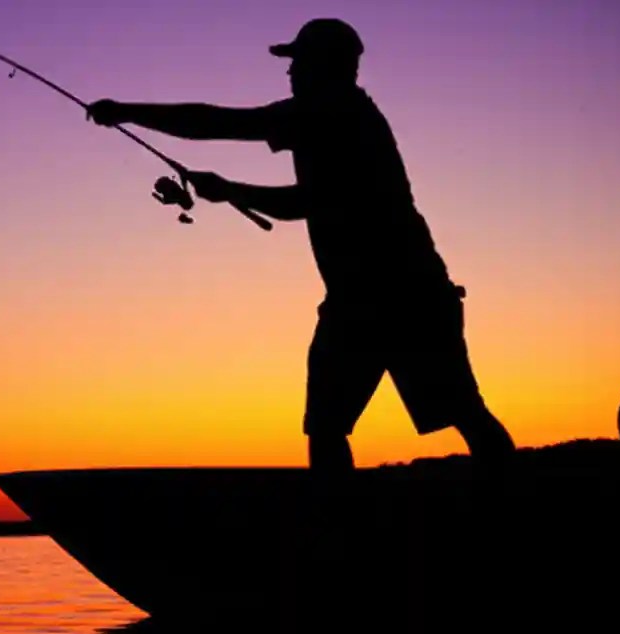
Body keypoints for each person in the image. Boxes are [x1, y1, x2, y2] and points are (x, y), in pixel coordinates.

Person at [87, 18, 514, 478]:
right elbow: (309, 202)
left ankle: (505, 501)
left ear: (325, 65)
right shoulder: (335, 115)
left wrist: (128, 111)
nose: (289, 72)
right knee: (344, 423)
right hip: (370, 299)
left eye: (298, 62)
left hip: (401, 295)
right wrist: (232, 190)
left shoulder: (329, 113)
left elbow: (221, 124)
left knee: (436, 415)